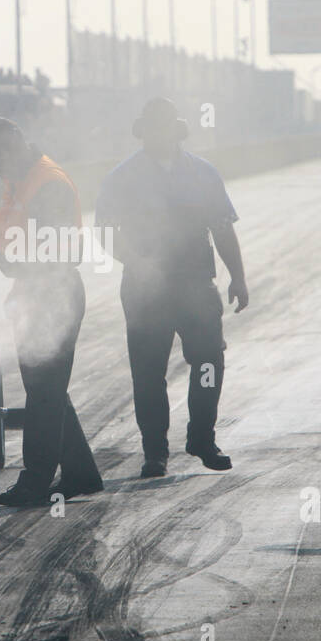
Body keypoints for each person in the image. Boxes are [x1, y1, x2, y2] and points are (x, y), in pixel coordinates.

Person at [95, 96, 248, 479]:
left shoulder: (203, 173)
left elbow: (223, 228)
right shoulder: (121, 177)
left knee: (210, 360)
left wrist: (239, 277)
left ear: (175, 131)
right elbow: (106, 232)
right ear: (143, 132)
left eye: (164, 127)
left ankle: (202, 438)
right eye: (152, 128)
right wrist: (135, 260)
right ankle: (154, 453)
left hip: (196, 284)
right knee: (148, 373)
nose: (158, 134)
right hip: (145, 290)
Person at [0, 118, 102, 507]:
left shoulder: (46, 182)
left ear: (17, 145)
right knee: (46, 390)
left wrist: (15, 261)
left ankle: (35, 481)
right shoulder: (20, 180)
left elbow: (64, 251)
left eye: (1, 157)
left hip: (55, 297)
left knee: (44, 394)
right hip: (36, 296)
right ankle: (81, 473)